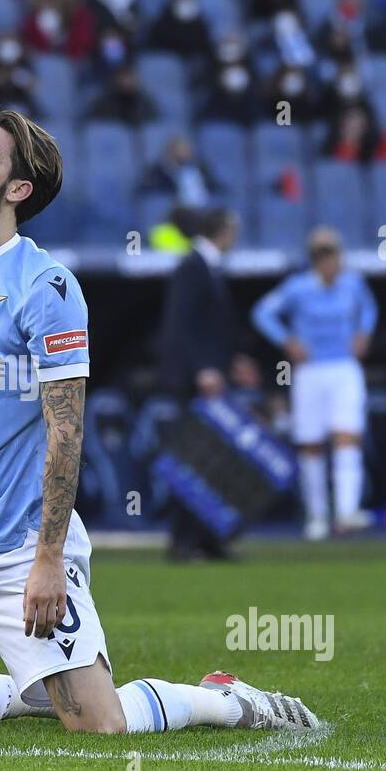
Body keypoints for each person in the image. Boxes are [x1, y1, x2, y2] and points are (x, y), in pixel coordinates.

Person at [0, 110, 319, 734]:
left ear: (18, 190)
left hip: (20, 551)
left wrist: (48, 558)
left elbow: (66, 432)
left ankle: (224, 698)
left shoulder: (46, 287)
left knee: (101, 728)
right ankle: (33, 688)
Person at [252, 226, 377, 540]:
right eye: (323, 255)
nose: (330, 261)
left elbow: (370, 309)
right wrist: (286, 340)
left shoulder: (353, 283)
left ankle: (347, 511)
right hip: (310, 371)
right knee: (311, 443)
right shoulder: (297, 288)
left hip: (344, 368)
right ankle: (317, 516)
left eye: (333, 253)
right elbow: (263, 313)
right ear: (313, 259)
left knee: (347, 435)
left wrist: (364, 332)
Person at [157, 206, 242, 561]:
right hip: (194, 384)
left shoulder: (209, 268)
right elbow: (180, 327)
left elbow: (208, 330)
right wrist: (203, 369)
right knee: (191, 461)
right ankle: (182, 542)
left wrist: (230, 362)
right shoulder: (192, 268)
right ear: (220, 231)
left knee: (213, 461)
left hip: (210, 380)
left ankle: (209, 538)